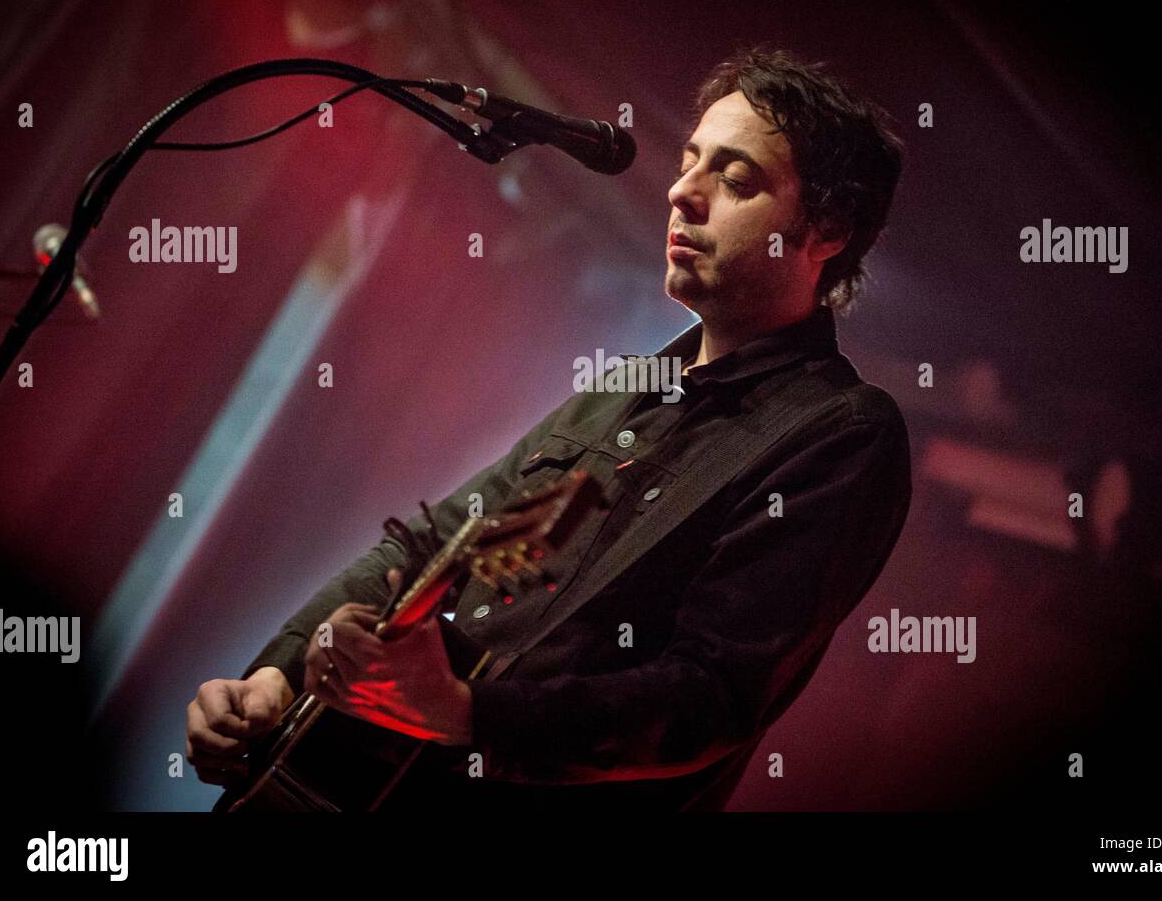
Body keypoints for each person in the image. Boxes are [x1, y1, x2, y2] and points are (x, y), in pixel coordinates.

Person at [186, 46, 911, 810]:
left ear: (826, 229)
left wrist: (470, 716)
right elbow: (428, 543)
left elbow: (710, 697)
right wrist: (277, 673)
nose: (682, 193)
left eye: (733, 179)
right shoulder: (625, 390)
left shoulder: (839, 433)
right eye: (689, 161)